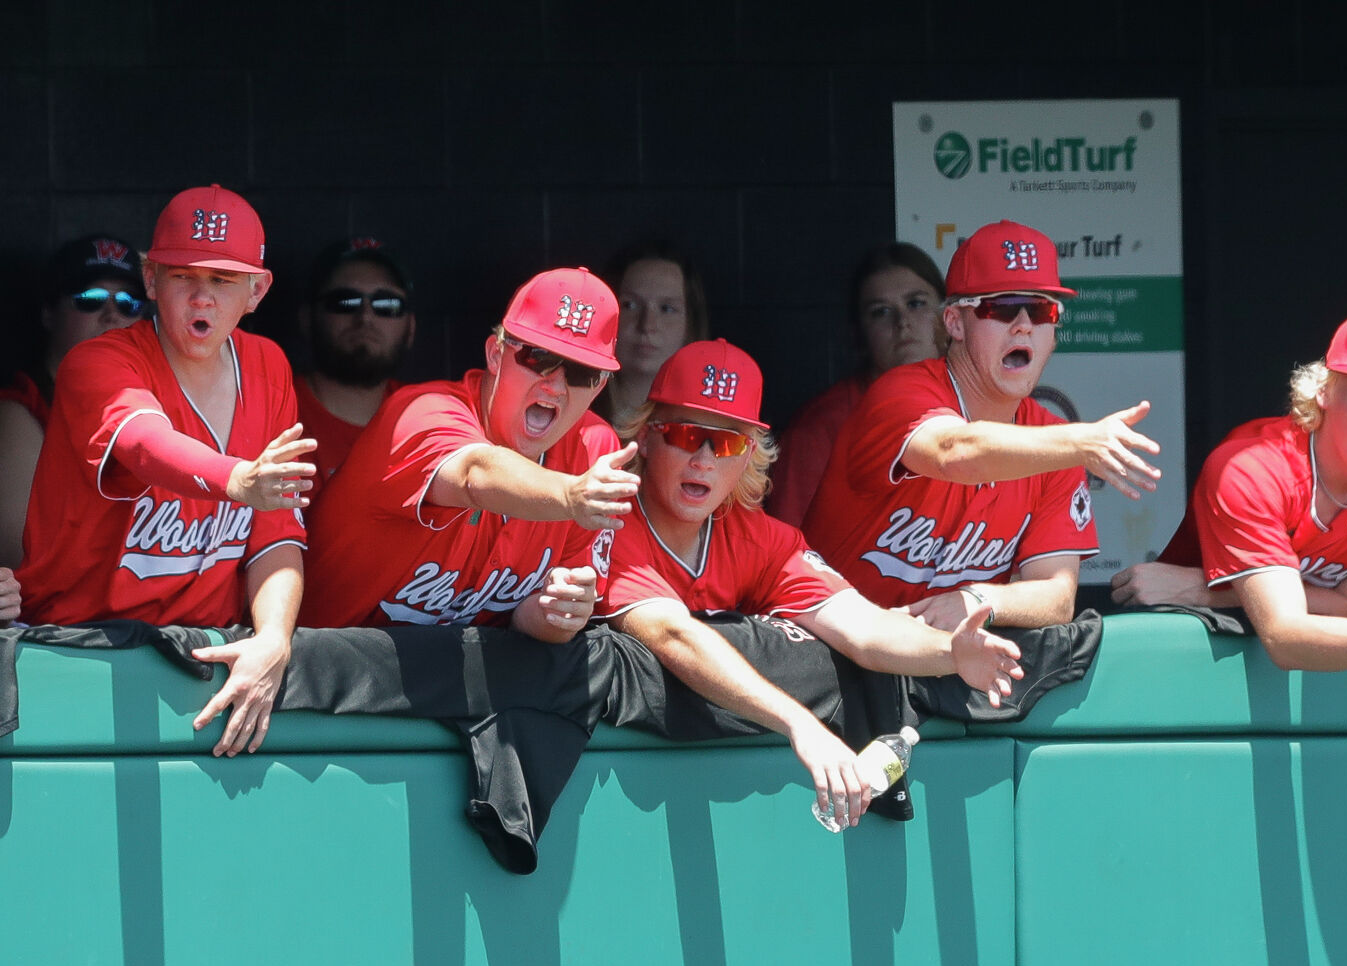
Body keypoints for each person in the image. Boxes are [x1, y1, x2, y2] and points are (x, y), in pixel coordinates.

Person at [600, 339, 1025, 827]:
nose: (703, 459)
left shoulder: (758, 537)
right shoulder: (609, 521)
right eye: (684, 433)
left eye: (727, 443)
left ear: (747, 457)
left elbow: (862, 628)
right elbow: (672, 635)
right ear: (647, 438)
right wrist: (801, 726)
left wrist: (951, 652)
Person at [17, 186, 313, 756]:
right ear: (150, 280)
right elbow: (146, 444)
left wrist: (274, 638)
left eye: (222, 280)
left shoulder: (270, 367)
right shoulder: (98, 360)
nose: (201, 298)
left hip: (206, 654)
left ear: (257, 290)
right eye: (183, 277)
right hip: (78, 650)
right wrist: (237, 480)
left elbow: (276, 537)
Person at [802, 219, 1160, 630]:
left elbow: (1055, 596)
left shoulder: (1058, 444)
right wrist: (1080, 441)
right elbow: (954, 452)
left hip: (946, 663)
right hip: (834, 652)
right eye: (1003, 307)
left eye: (1042, 309)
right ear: (954, 322)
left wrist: (980, 598)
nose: (1024, 323)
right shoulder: (900, 391)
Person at [1110, 304, 1347, 668]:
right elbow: (1286, 639)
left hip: (1333, 651)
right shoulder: (1248, 469)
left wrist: (1201, 589)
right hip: (1196, 647)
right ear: (1324, 391)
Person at [300, 267, 636, 643]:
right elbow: (474, 473)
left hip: (458, 692)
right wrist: (570, 496)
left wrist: (556, 612)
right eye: (538, 358)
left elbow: (530, 623)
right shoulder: (422, 411)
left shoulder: (594, 452)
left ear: (600, 385)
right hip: (322, 675)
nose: (555, 384)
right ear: (496, 354)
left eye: (581, 372)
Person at [765, 243, 948, 526]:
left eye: (916, 303)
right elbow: (787, 552)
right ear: (859, 332)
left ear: (948, 316)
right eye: (881, 312)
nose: (902, 323)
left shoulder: (979, 406)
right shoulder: (819, 429)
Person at [1, 235, 150, 567]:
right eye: (90, 298)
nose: (112, 314)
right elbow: (19, 552)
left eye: (129, 303)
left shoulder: (158, 403)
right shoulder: (22, 408)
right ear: (49, 313)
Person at [295, 237, 415, 484]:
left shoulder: (426, 417)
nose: (366, 317)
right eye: (345, 301)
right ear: (307, 318)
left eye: (387, 304)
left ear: (411, 327)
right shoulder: (273, 409)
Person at [593, 241, 708, 426]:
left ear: (690, 323)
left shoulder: (708, 430)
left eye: (666, 308)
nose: (647, 325)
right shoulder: (571, 422)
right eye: (630, 305)